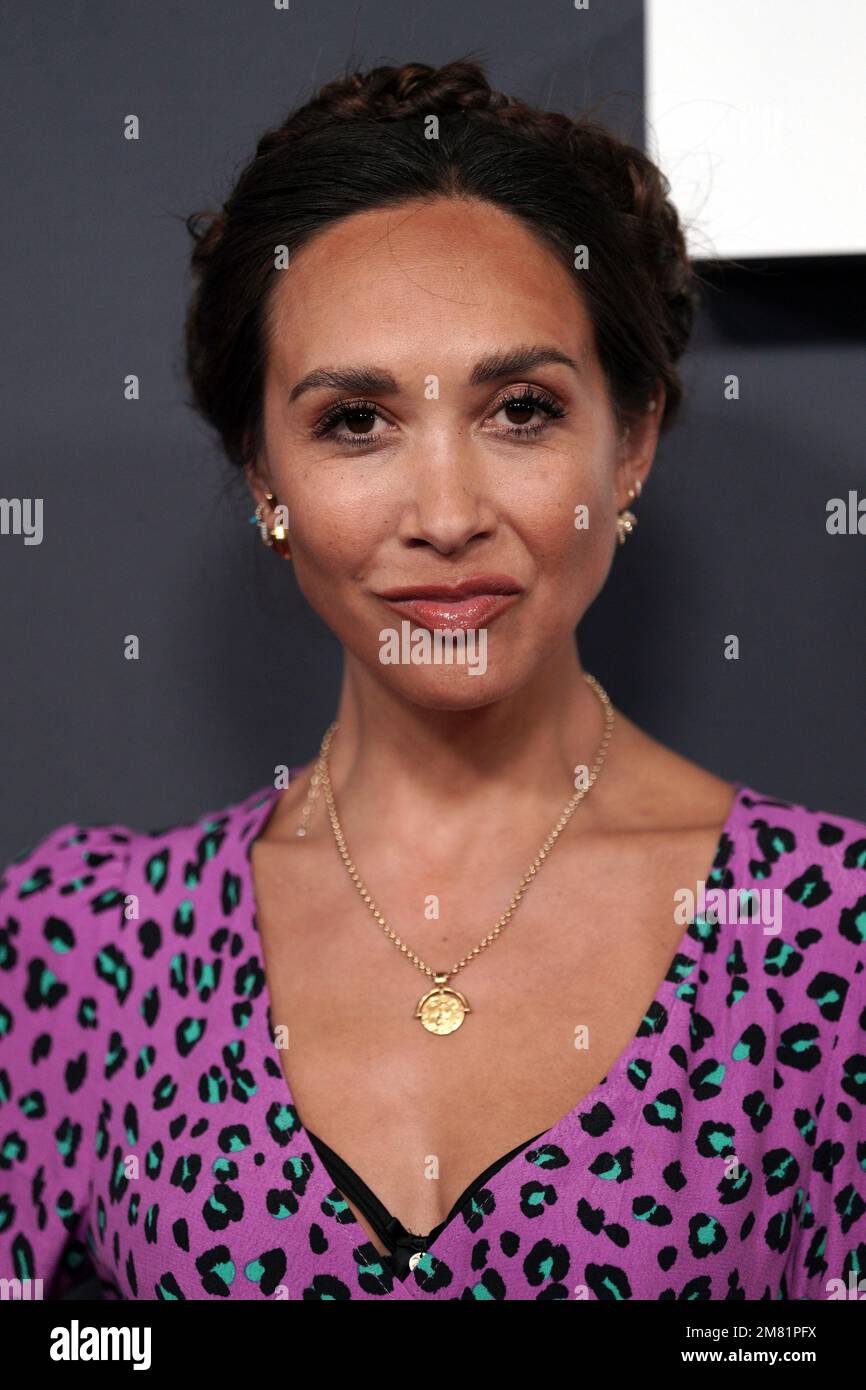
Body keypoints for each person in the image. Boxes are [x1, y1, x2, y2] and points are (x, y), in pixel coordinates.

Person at [1, 59, 863, 1302]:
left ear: (630, 443)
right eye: (355, 420)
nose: (447, 515)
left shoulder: (827, 944)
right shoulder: (81, 946)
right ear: (263, 477)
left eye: (519, 409)